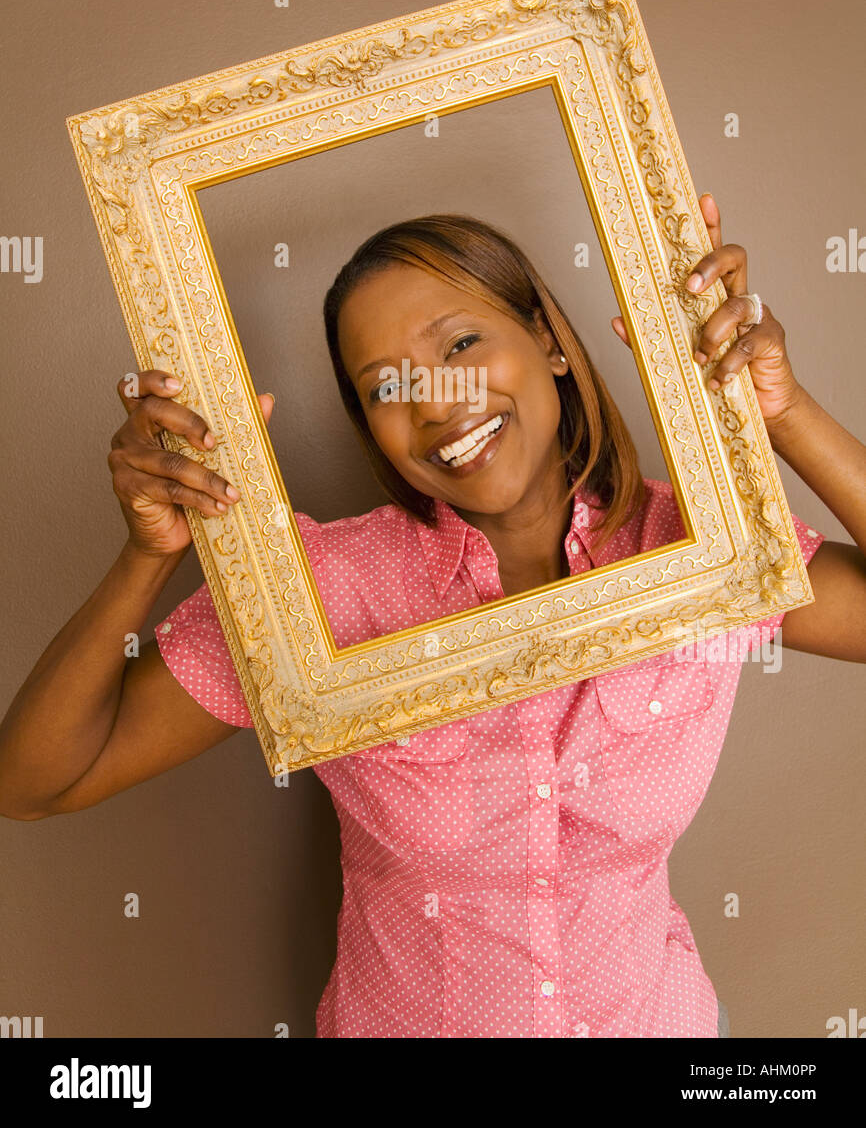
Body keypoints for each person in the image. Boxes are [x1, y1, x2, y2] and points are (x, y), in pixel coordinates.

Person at [1, 194, 863, 1039]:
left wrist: (780, 414)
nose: (438, 400)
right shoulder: (321, 591)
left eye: (461, 343)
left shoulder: (697, 545)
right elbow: (32, 785)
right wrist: (149, 554)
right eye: (386, 387)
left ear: (551, 344)